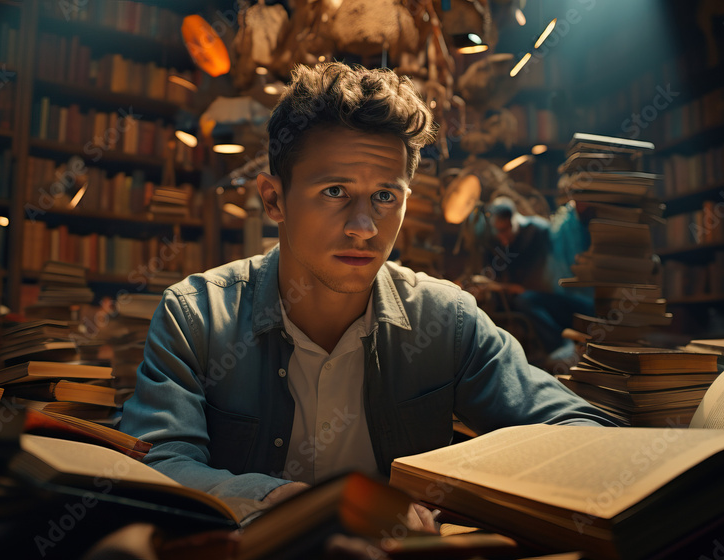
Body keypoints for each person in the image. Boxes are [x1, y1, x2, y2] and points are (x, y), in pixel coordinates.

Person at [120, 63, 613, 517]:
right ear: (273, 200)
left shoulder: (446, 320)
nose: (364, 227)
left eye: (384, 196)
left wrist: (463, 496)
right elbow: (157, 466)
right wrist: (278, 503)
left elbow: (583, 435)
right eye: (335, 191)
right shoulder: (197, 318)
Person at [481, 196, 595, 364]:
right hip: (533, 295)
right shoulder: (500, 243)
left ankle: (560, 344)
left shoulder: (538, 231)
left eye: (505, 230)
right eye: (498, 232)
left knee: (524, 300)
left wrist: (517, 288)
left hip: (563, 296)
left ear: (514, 219)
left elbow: (548, 277)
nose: (503, 238)